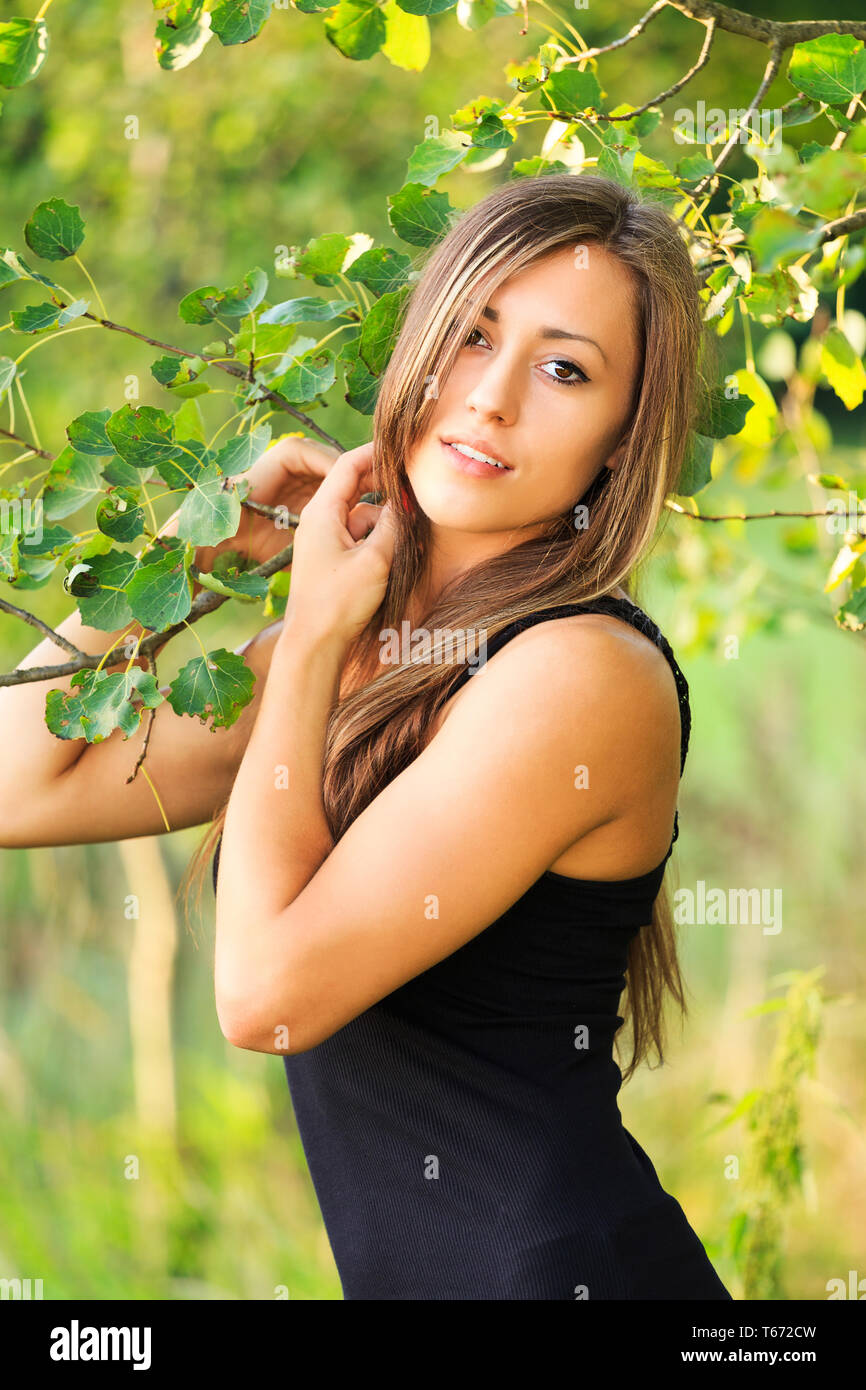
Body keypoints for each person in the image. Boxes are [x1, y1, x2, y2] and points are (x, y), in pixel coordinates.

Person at [0, 173, 732, 1300]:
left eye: (562, 369)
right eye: (472, 333)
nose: (488, 398)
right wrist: (186, 552)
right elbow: (15, 783)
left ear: (621, 438)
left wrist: (304, 645)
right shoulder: (362, 652)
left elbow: (266, 999)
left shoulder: (581, 674)